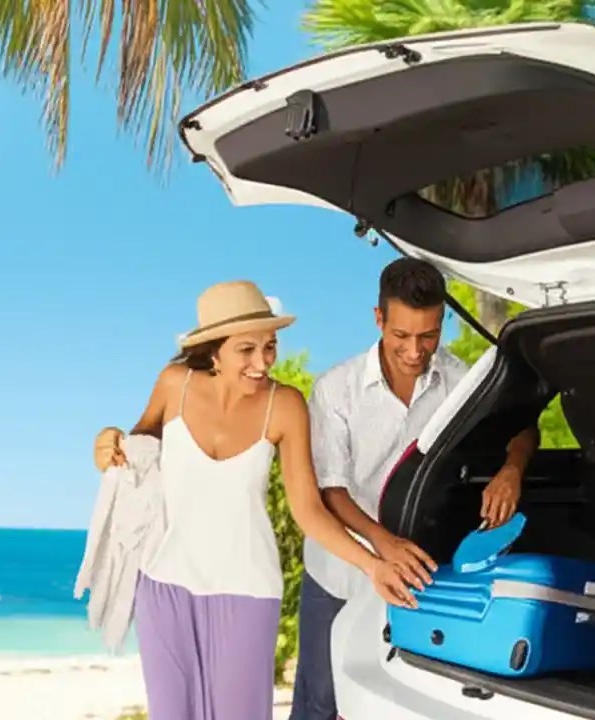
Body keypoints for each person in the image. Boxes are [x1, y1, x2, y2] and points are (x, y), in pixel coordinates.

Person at [89, 279, 423, 720]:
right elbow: (140, 442)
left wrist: (373, 564)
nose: (262, 362)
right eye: (246, 350)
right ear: (214, 350)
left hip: (245, 590)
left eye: (270, 347)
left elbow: (308, 509)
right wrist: (106, 441)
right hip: (164, 583)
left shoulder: (284, 406)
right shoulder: (175, 385)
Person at [289, 257, 540, 720]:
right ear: (378, 318)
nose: (414, 350)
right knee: (322, 701)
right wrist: (384, 546)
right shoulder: (335, 390)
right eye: (401, 335)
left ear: (443, 319)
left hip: (417, 578)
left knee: (387, 700)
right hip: (339, 572)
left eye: (428, 336)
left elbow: (522, 427)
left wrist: (512, 469)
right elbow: (332, 492)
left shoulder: (461, 381)